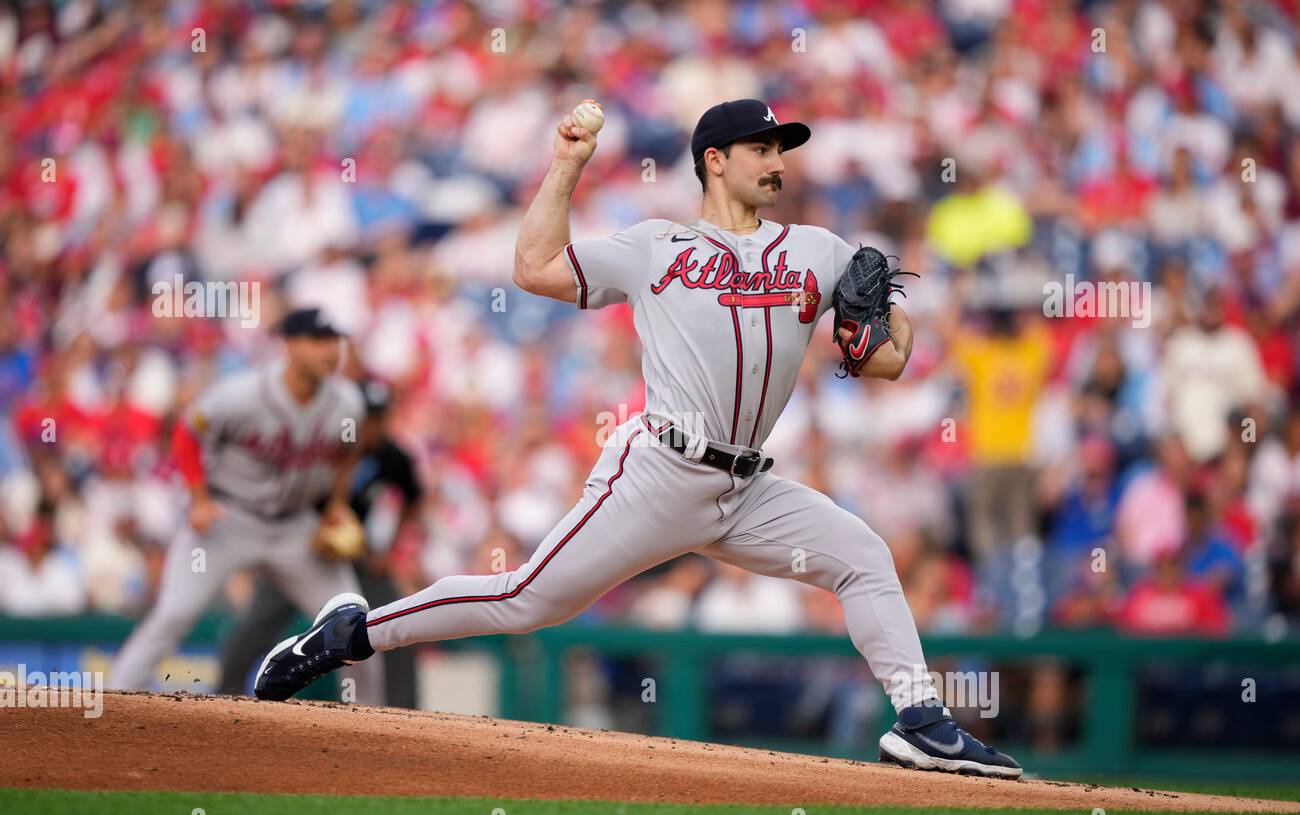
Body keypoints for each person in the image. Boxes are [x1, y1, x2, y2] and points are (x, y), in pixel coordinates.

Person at [253, 99, 1022, 778]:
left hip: (747, 488)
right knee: (525, 599)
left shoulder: (817, 251)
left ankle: (922, 721)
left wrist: (890, 298)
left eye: (781, 148)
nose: (776, 161)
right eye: (761, 148)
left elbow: (883, 362)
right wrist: (566, 165)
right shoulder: (655, 245)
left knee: (864, 558)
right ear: (714, 161)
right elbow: (533, 267)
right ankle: (344, 637)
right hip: (658, 472)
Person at [108, 308, 367, 690]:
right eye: (318, 340)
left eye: (334, 341)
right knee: (174, 615)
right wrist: (198, 499)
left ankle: (373, 729)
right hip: (230, 520)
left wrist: (335, 505)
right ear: (290, 345)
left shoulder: (346, 402)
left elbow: (349, 450)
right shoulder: (245, 394)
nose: (331, 350)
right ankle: (111, 701)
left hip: (296, 528)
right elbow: (187, 432)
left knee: (356, 626)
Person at [217, 381, 423, 705]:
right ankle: (221, 699)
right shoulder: (328, 446)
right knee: (255, 626)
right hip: (303, 548)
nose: (373, 427)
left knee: (398, 621)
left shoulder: (392, 456)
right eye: (368, 419)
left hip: (356, 555)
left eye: (380, 419)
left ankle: (398, 713)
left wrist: (388, 550)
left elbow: (414, 498)